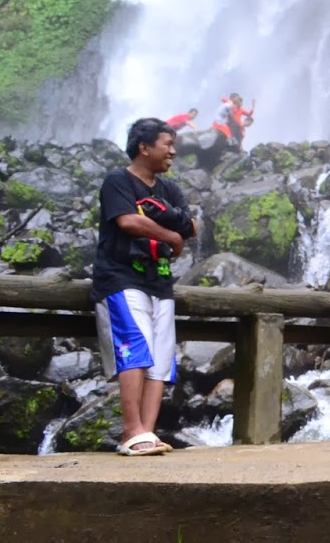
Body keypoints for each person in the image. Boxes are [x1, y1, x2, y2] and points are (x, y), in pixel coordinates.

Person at [92, 117, 195, 456]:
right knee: (135, 347)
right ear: (144, 147)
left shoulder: (168, 189)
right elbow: (128, 221)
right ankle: (130, 431)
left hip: (160, 281)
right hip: (121, 277)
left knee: (161, 358)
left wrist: (173, 227)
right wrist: (168, 233)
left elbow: (190, 224)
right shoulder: (117, 182)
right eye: (168, 144)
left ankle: (146, 434)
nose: (174, 152)